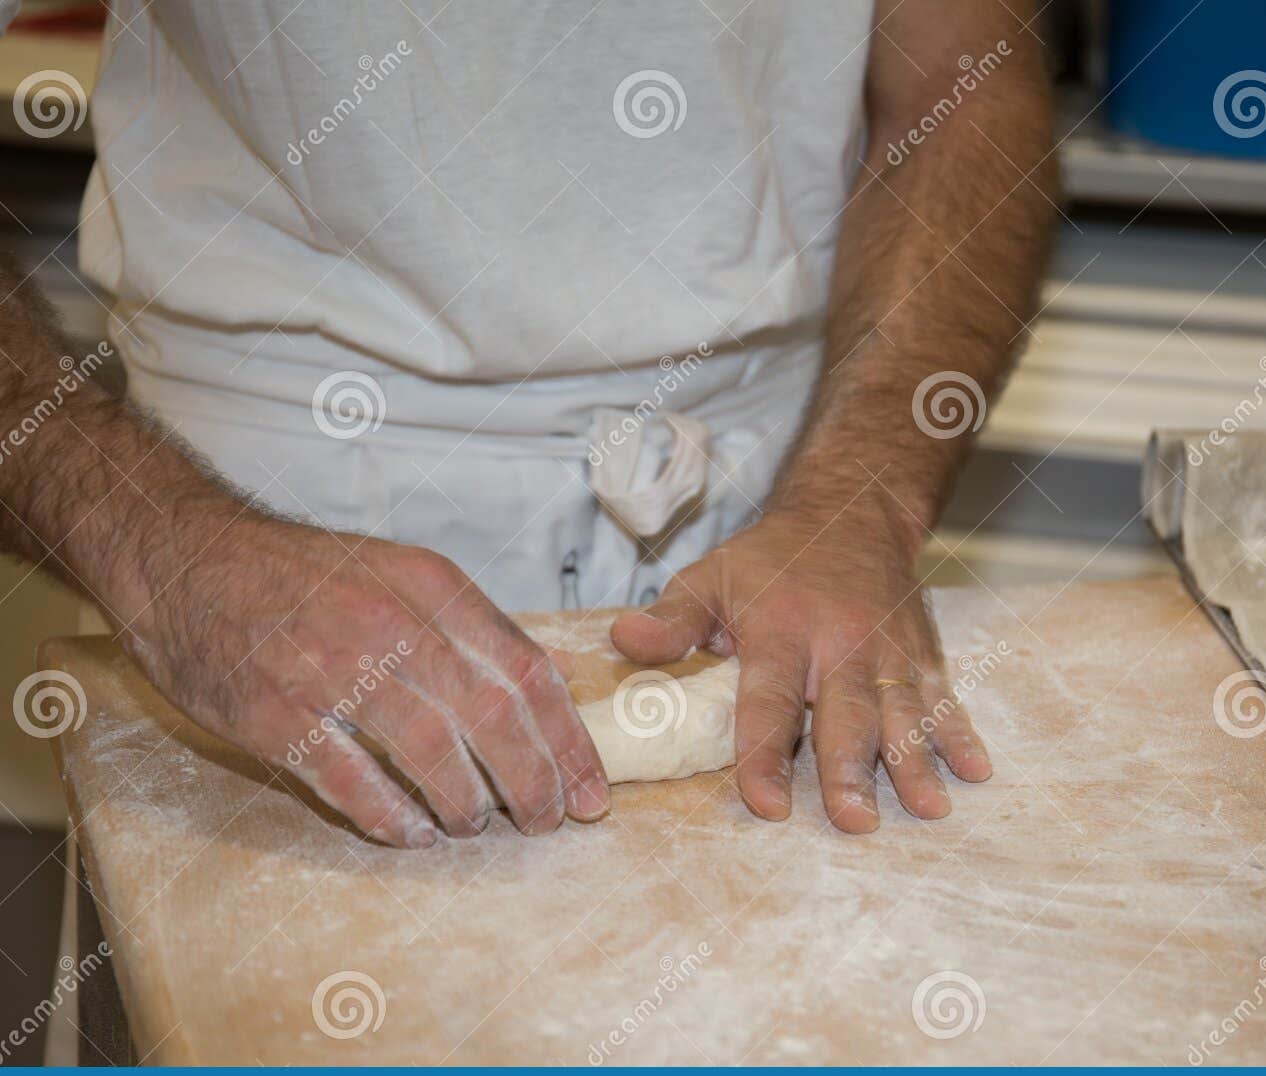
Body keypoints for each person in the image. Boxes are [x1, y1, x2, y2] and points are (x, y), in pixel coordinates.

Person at [0, 0, 1054, 847]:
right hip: (263, 538)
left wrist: (858, 500)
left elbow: (966, 80)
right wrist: (164, 549)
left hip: (771, 521)